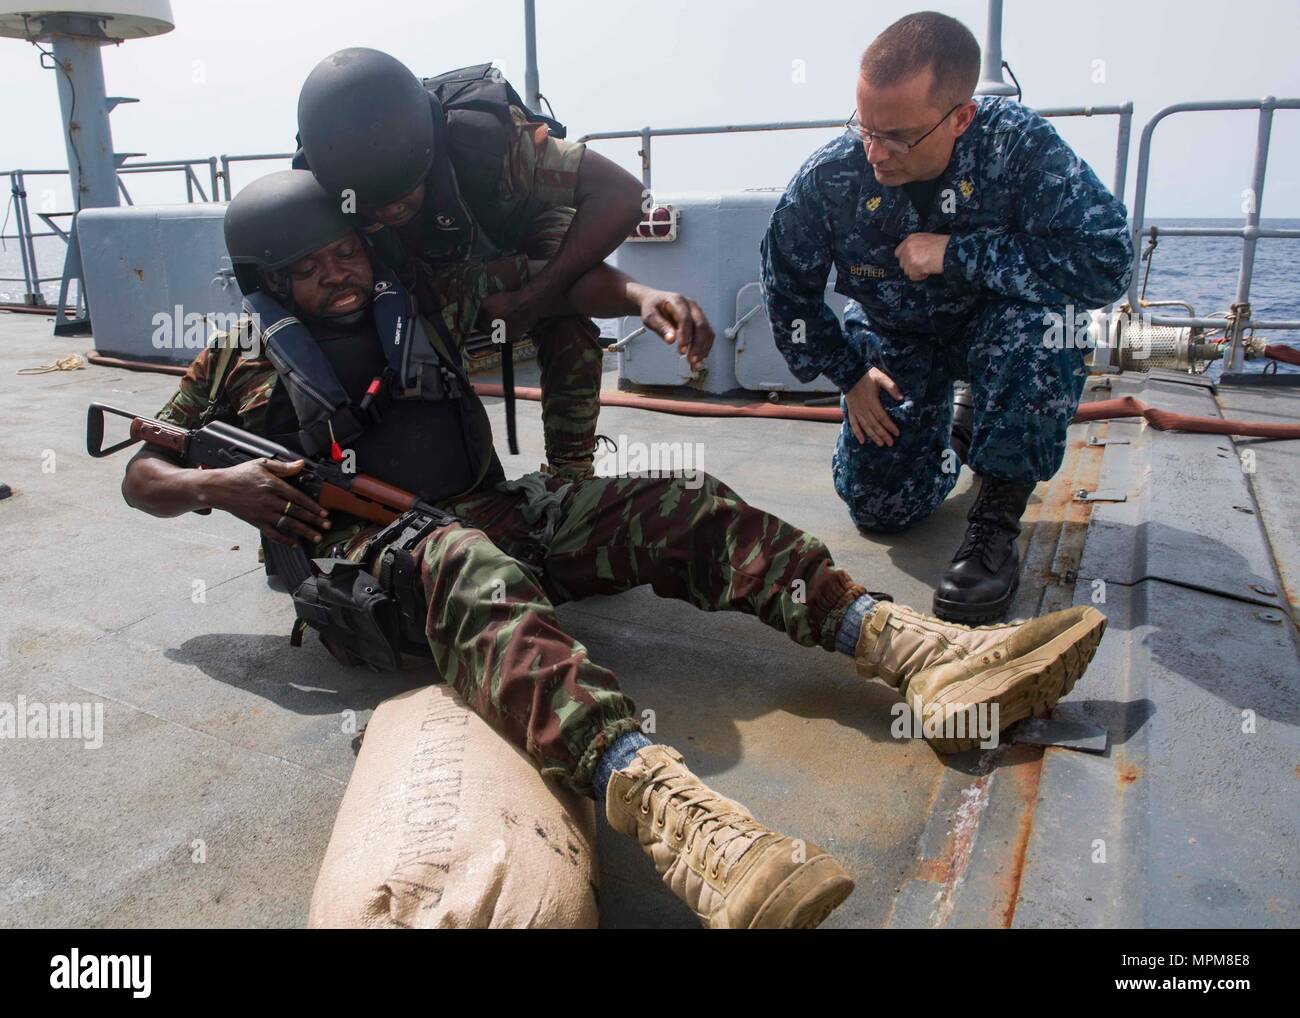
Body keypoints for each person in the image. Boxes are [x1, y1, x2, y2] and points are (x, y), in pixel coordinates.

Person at [120, 170, 1107, 929]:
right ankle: (670, 811)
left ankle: (909, 649)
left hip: (494, 518)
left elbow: (551, 288)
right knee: (465, 561)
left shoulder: (415, 306)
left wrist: (636, 295)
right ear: (268, 281)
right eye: (310, 265)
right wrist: (221, 486)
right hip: (384, 576)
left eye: (345, 252)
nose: (338, 273)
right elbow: (140, 472)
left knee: (684, 505)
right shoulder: (230, 363)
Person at [761, 11, 1132, 623]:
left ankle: (994, 523)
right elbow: (788, 292)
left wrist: (958, 255)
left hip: (996, 333)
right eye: (864, 127)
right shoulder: (832, 178)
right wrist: (851, 376)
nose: (875, 153)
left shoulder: (1017, 147)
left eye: (899, 136)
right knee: (881, 511)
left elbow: (1106, 259)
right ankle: (959, 429)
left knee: (1045, 329)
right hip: (893, 335)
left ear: (960, 117)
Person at [294, 48, 708, 480]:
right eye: (376, 207)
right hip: (425, 274)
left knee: (568, 321)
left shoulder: (485, 143)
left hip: (519, 224)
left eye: (404, 195)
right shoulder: (323, 180)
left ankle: (569, 476)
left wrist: (545, 299)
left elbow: (623, 197)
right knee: (404, 347)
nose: (393, 211)